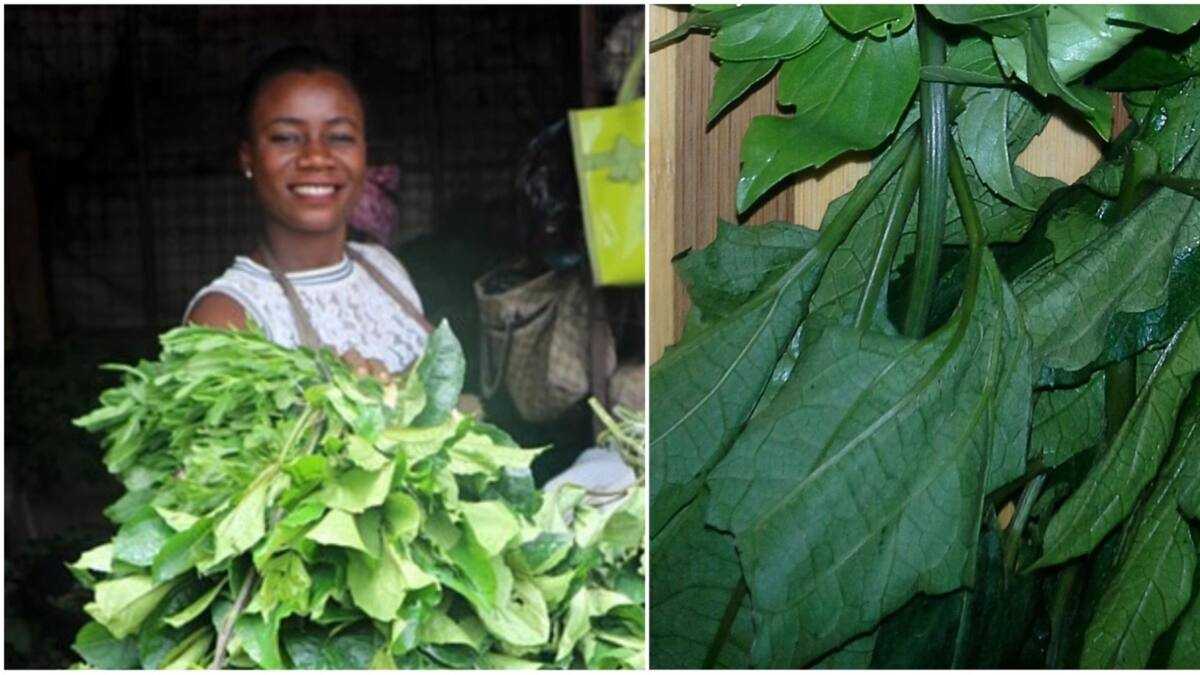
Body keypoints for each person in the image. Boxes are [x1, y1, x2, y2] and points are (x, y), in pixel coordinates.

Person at [184, 46, 426, 381]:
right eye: (286, 138)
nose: (316, 157)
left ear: (364, 153)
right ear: (247, 158)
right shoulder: (226, 317)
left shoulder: (384, 267)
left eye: (340, 137)